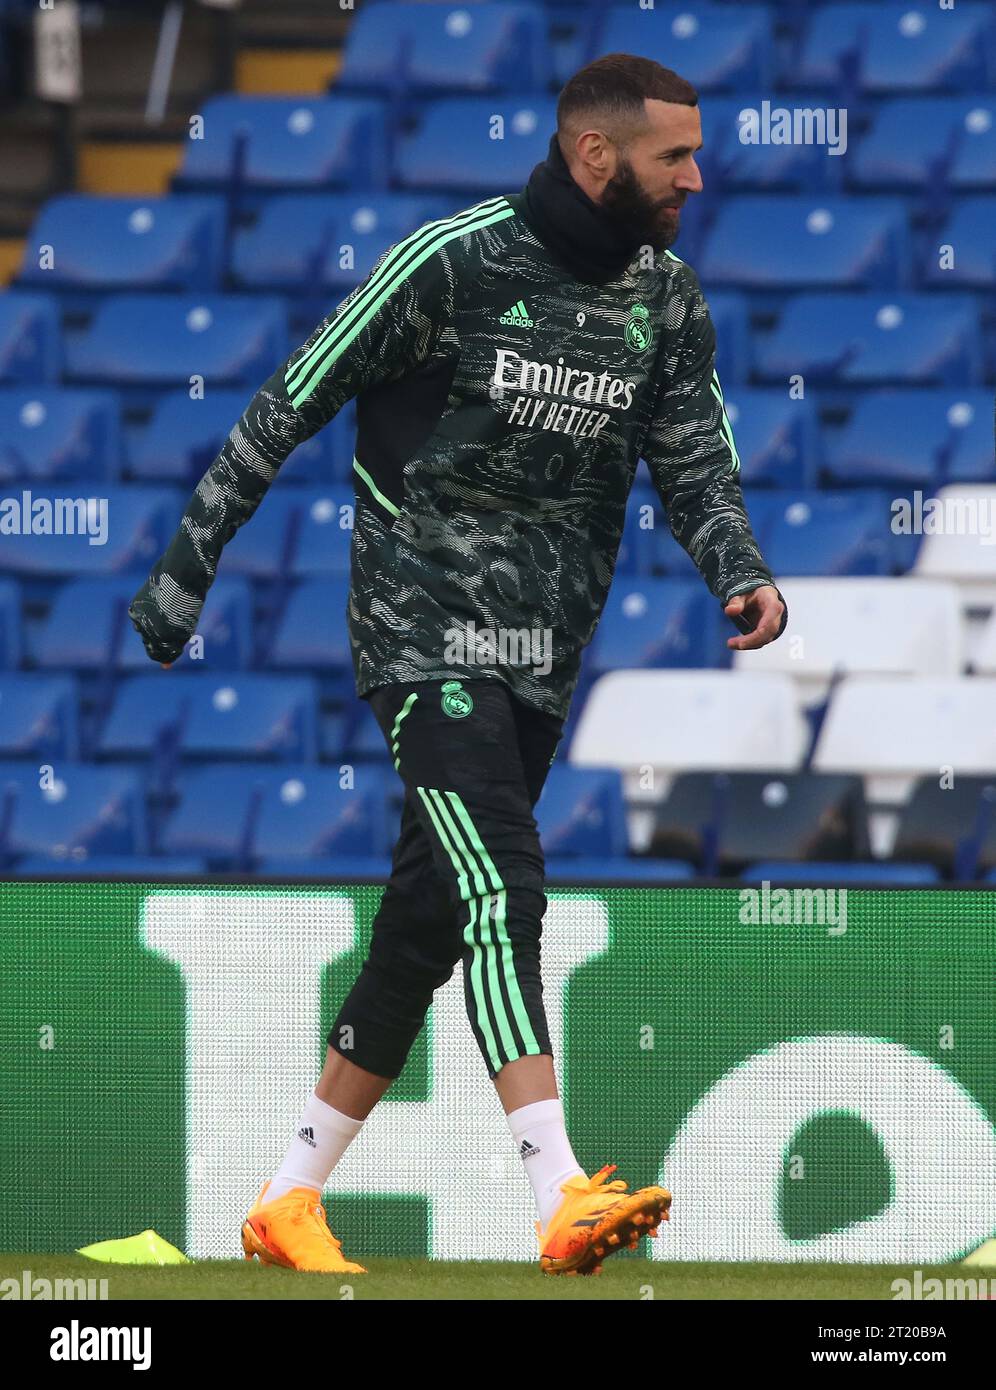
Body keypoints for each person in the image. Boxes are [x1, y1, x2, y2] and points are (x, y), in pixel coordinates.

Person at [130, 52, 787, 1277]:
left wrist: (737, 569)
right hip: (422, 629)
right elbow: (295, 397)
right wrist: (187, 561)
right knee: (503, 885)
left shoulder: (669, 297)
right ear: (597, 155)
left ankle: (287, 1196)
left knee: (428, 918)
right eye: (674, 157)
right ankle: (560, 1186)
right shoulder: (455, 262)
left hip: (545, 651)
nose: (697, 177)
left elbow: (696, 458)